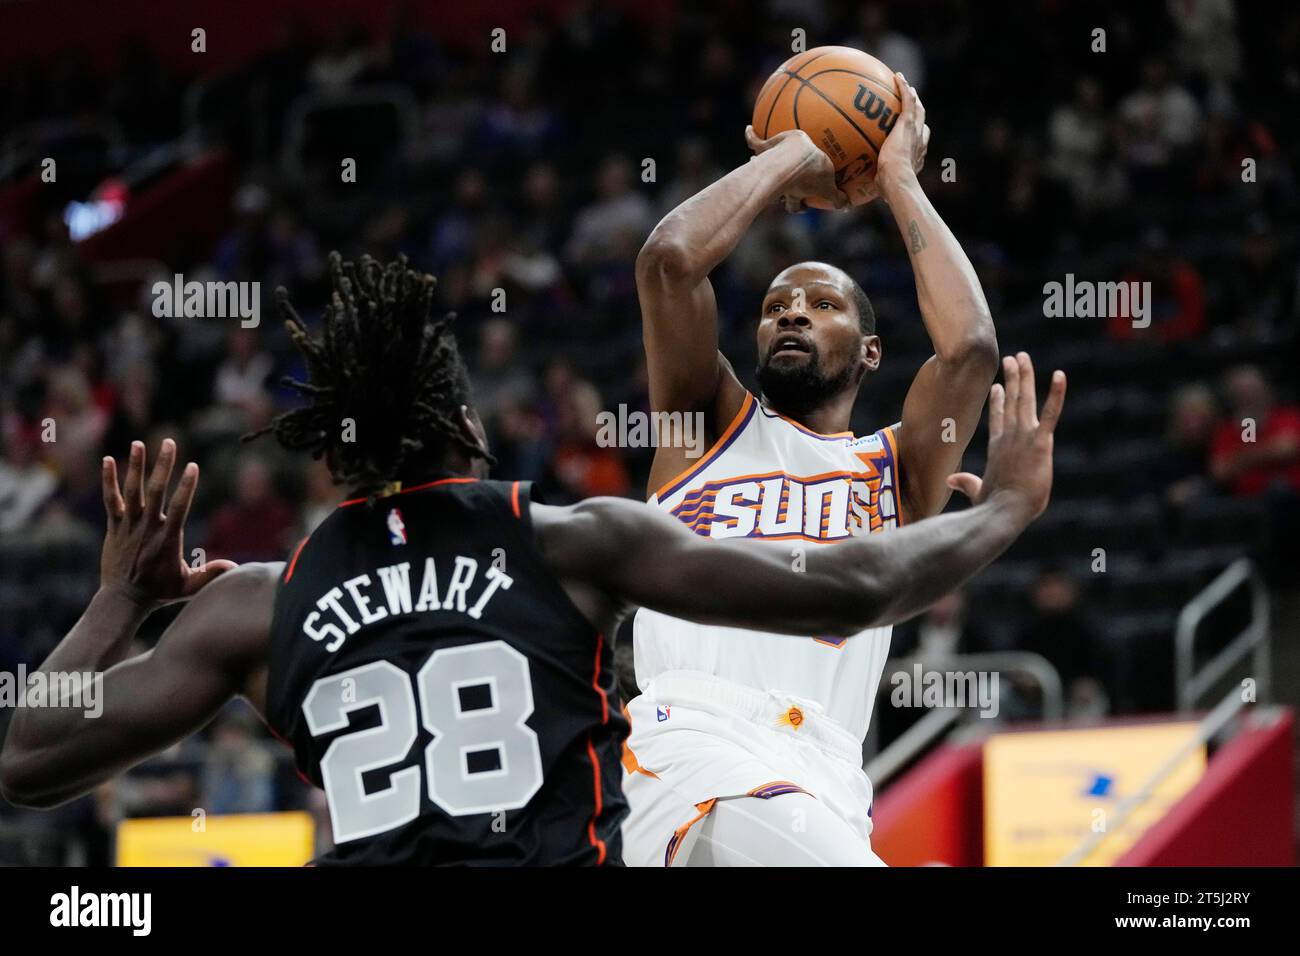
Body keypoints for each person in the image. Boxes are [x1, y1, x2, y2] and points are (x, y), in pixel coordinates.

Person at [0, 253, 1065, 867]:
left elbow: (28, 761)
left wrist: (116, 598)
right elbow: (853, 585)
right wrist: (1006, 506)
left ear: (330, 458)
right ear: (464, 423)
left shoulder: (256, 601)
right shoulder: (567, 538)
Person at [625, 75, 1002, 865]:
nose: (792, 311)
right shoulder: (703, 427)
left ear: (871, 353)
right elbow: (668, 262)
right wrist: (793, 155)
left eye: (821, 304)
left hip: (826, 769)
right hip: (689, 738)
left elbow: (968, 349)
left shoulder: (898, 468)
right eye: (774, 306)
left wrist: (898, 176)